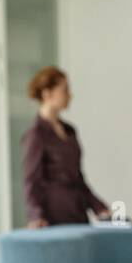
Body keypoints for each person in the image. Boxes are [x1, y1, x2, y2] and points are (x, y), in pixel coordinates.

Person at [22, 67, 110, 227]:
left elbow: (78, 179)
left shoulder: (70, 131)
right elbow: (31, 182)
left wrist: (100, 207)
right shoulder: (36, 135)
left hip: (77, 211)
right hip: (53, 216)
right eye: (65, 90)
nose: (70, 95)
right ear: (47, 94)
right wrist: (35, 216)